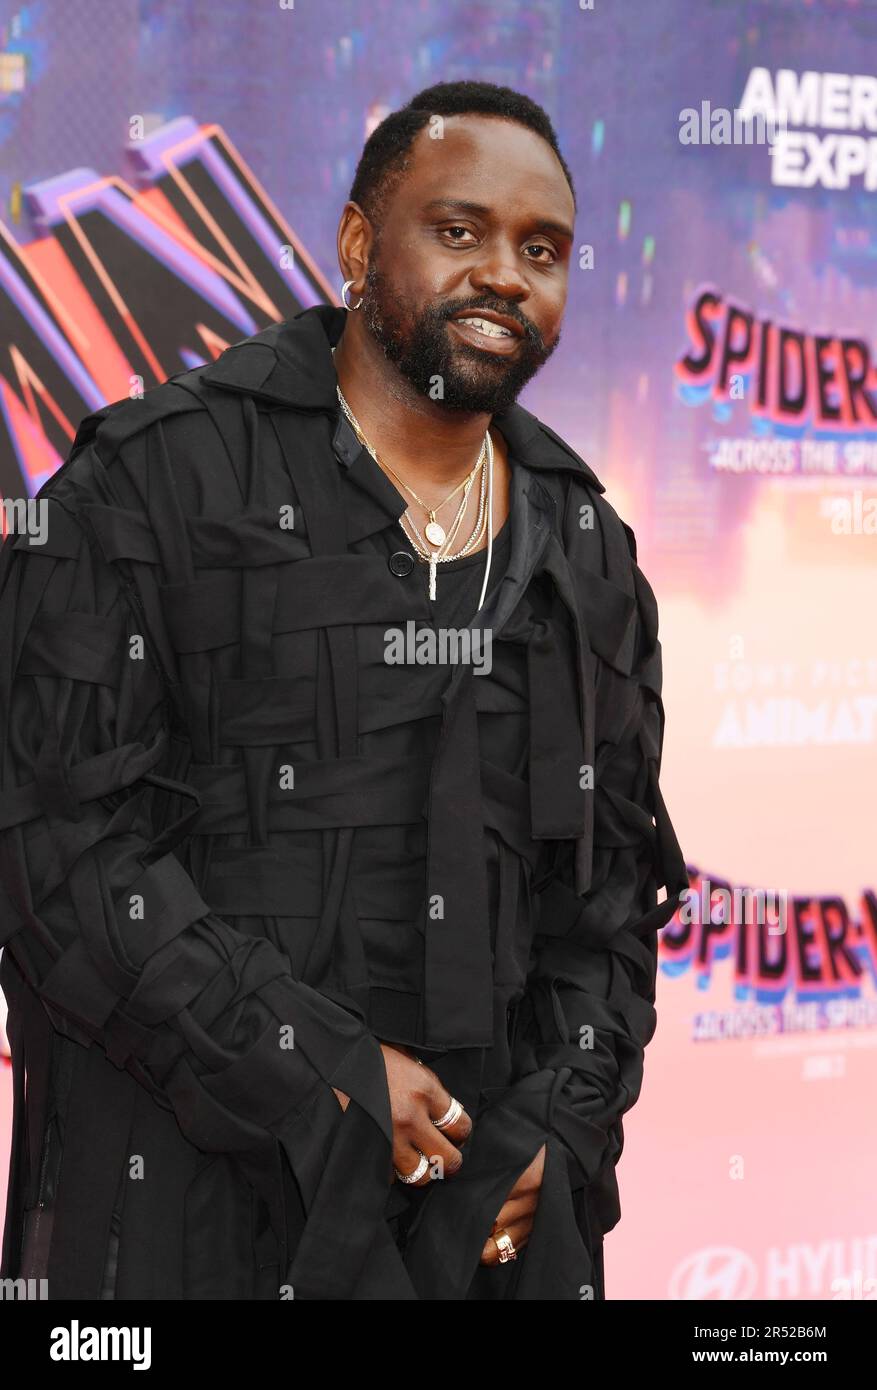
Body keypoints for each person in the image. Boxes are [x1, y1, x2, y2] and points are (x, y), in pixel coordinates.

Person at [0, 80, 687, 1300]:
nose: (504, 274)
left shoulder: (586, 550)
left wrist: (557, 1130)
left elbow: (608, 905)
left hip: (481, 1246)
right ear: (360, 248)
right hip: (189, 1228)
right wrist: (313, 1068)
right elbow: (56, 851)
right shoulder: (155, 482)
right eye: (459, 230)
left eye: (541, 251)